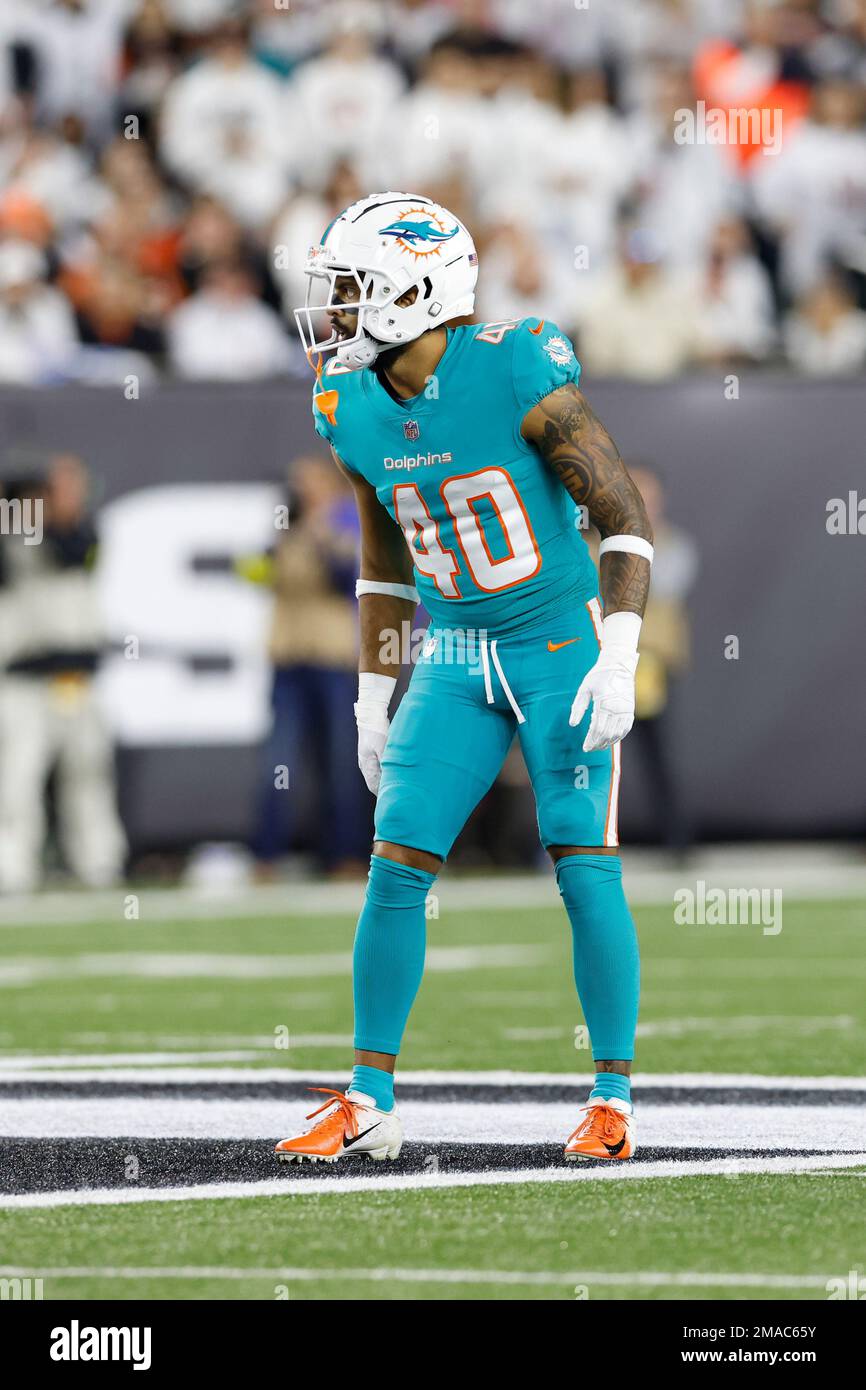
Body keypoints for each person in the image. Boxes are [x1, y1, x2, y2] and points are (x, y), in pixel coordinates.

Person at [275, 192, 653, 1165]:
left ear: (413, 292)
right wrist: (371, 689)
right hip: (451, 650)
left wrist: (618, 644)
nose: (336, 312)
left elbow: (619, 513)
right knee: (396, 859)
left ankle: (610, 1097)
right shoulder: (345, 398)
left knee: (579, 857)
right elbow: (382, 555)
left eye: (353, 289)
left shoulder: (516, 362)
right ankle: (367, 1098)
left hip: (555, 639)